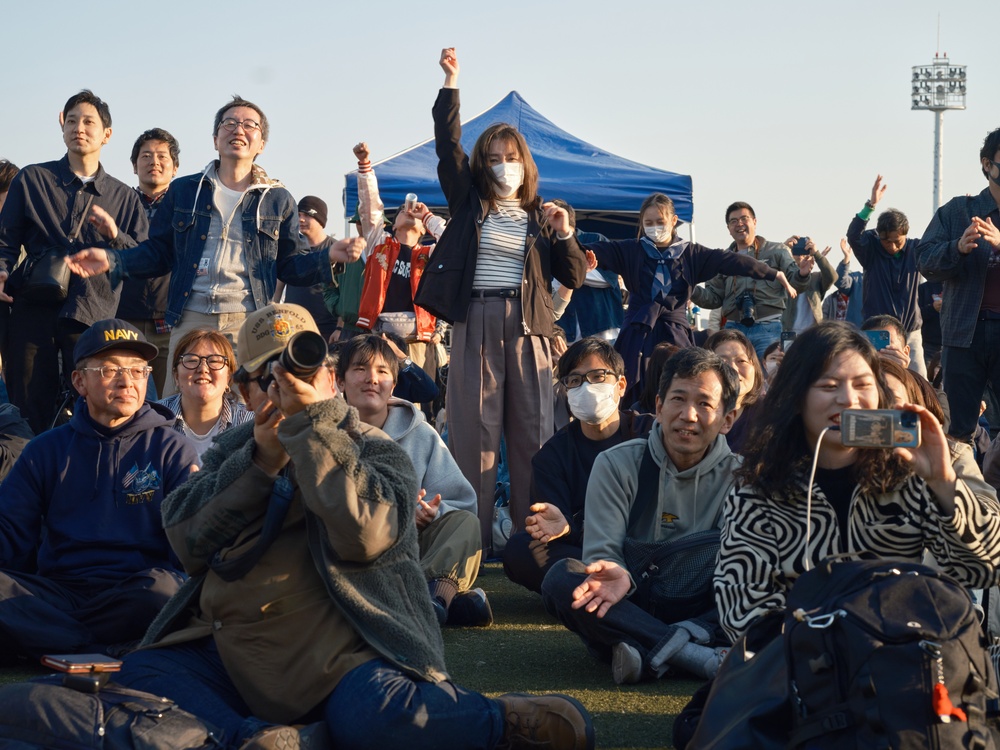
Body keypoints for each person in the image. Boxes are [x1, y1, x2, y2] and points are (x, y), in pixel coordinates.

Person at [115, 303, 595, 750]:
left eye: (298, 371)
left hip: (342, 650)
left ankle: (496, 720)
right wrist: (260, 462)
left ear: (327, 378)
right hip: (231, 649)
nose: (286, 389)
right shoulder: (234, 452)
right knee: (142, 672)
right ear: (244, 391)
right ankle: (264, 736)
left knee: (380, 718)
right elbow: (185, 541)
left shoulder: (376, 446)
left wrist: (311, 434)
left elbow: (365, 535)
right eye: (268, 378)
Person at [714, 321, 1000, 642]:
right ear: (796, 397)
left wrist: (945, 483)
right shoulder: (760, 482)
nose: (848, 399)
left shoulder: (928, 459)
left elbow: (986, 568)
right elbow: (740, 604)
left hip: (911, 658)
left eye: (862, 385)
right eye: (828, 385)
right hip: (806, 667)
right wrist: (833, 654)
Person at [65, 95, 365, 397]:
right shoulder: (185, 190)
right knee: (180, 404)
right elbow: (158, 254)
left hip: (249, 320)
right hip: (190, 316)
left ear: (261, 144)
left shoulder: (277, 199)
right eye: (229, 123)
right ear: (215, 138)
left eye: (250, 125)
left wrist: (327, 256)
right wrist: (114, 259)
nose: (238, 129)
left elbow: (289, 266)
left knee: (244, 406)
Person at [413, 48, 589, 553]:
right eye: (493, 159)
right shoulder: (470, 204)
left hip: (531, 328)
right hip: (476, 319)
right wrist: (451, 82)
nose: (503, 166)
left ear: (525, 163)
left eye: (511, 158)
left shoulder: (542, 216)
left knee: (534, 435)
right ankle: (470, 543)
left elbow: (573, 274)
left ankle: (530, 543)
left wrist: (564, 234)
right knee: (473, 434)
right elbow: (447, 147)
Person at [0, 318, 199, 659]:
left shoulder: (171, 448)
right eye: (110, 370)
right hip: (60, 591)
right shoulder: (46, 450)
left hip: (136, 589)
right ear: (80, 381)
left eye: (138, 371)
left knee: (165, 592)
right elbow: (9, 533)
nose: (127, 382)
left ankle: (53, 641)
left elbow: (189, 543)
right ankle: (102, 645)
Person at [541, 348, 741, 684]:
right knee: (562, 578)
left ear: (727, 420)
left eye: (705, 403)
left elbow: (744, 580)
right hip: (631, 603)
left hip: (707, 613)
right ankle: (690, 656)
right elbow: (601, 552)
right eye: (678, 399)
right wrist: (616, 570)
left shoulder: (743, 479)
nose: (688, 415)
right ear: (659, 407)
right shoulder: (616, 465)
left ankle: (640, 649)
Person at [0, 91, 148, 434]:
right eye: (71, 120)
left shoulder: (124, 197)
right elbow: (5, 239)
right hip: (32, 307)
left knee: (92, 406)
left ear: (106, 134)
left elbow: (142, 259)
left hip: (92, 313)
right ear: (61, 126)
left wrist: (114, 237)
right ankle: (32, 477)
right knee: (28, 403)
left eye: (88, 122)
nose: (78, 128)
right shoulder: (33, 179)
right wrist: (3, 269)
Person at [335, 333, 491, 627]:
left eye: (382, 371)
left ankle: (430, 603)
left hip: (412, 551)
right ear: (339, 381)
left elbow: (461, 502)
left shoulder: (420, 433)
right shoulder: (323, 433)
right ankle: (444, 601)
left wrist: (432, 514)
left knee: (465, 524)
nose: (372, 378)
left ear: (393, 384)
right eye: (360, 369)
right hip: (351, 550)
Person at [580, 193, 796, 404]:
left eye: (660, 221)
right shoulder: (629, 250)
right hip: (637, 331)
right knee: (629, 392)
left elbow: (732, 261)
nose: (654, 226)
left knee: (682, 387)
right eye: (649, 222)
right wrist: (564, 237)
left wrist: (773, 273)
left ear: (674, 221)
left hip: (675, 333)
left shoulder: (691, 254)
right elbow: (585, 249)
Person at [503, 337, 654, 594]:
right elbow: (553, 527)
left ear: (621, 385)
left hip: (648, 542)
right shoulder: (551, 456)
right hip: (588, 551)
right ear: (566, 391)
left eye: (597, 376)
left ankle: (596, 586)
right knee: (522, 549)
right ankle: (618, 585)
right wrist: (565, 527)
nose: (586, 387)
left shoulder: (650, 434)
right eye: (574, 380)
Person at [916, 127, 1000, 445]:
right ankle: (957, 491)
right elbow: (924, 260)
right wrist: (957, 248)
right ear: (987, 164)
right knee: (956, 428)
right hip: (964, 334)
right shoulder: (957, 211)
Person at [691, 201, 808, 361]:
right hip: (733, 329)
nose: (739, 224)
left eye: (744, 218)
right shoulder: (721, 259)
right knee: (732, 379)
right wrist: (690, 289)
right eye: (733, 221)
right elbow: (713, 299)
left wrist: (802, 274)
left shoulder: (777, 250)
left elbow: (796, 285)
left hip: (768, 327)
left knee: (771, 377)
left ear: (754, 221)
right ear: (728, 229)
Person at [118, 128, 181, 396]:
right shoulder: (119, 203)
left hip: (170, 319)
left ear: (175, 167)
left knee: (172, 398)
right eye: (145, 156)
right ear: (134, 166)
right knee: (127, 395)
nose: (154, 162)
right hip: (125, 315)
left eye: (161, 156)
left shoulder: (186, 206)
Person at [846, 175, 925, 375]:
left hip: (910, 332)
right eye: (886, 241)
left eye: (897, 241)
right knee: (873, 376)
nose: (891, 246)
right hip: (876, 333)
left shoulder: (917, 249)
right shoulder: (871, 250)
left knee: (919, 379)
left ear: (906, 234)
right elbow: (854, 235)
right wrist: (870, 205)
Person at [157, 328, 252, 460]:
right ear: (176, 375)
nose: (203, 369)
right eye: (191, 360)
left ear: (229, 377)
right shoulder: (154, 420)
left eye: (214, 361)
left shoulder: (250, 424)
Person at [549, 200, 622, 343]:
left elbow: (609, 279)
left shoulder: (596, 240)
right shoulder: (546, 249)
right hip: (565, 334)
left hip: (602, 331)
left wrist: (570, 269)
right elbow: (553, 290)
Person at [275, 195, 341, 342]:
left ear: (321, 221)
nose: (301, 219)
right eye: (298, 215)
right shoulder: (291, 249)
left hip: (326, 331)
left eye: (307, 215)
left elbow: (345, 293)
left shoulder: (335, 250)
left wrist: (339, 328)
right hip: (292, 329)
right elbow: (278, 288)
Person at [703, 329, 765, 454]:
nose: (733, 369)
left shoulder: (770, 413)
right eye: (722, 362)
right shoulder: (694, 413)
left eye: (741, 361)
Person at [779, 237, 837, 333]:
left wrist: (817, 255)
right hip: (787, 332)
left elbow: (832, 277)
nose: (801, 255)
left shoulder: (816, 278)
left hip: (812, 333)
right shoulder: (782, 277)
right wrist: (783, 249)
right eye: (797, 251)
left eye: (805, 251)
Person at [822, 239, 864, 327]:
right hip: (852, 335)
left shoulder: (884, 280)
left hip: (876, 333)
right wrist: (846, 259)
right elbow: (840, 280)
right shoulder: (857, 279)